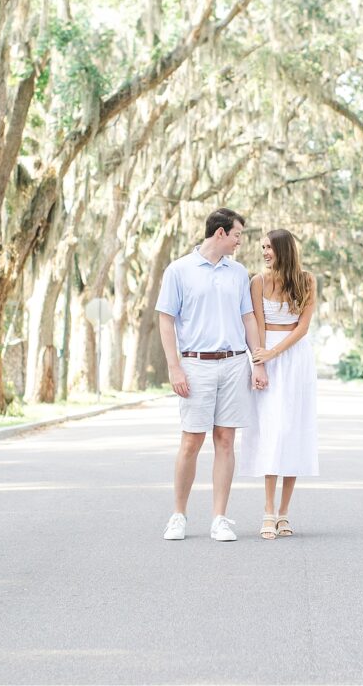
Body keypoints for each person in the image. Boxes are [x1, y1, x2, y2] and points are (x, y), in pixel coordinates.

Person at [156, 208, 268, 542]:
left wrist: (257, 361)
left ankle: (219, 518)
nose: (239, 242)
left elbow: (248, 319)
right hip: (196, 363)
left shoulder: (238, 273)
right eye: (237, 236)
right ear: (220, 234)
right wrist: (174, 366)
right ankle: (179, 515)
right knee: (191, 440)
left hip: (234, 363)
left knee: (225, 439)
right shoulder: (179, 270)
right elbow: (166, 320)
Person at [239, 228, 318, 538]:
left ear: (284, 249)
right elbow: (256, 322)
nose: (265, 253)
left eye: (269, 247)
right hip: (265, 353)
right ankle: (267, 511)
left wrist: (275, 351)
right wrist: (261, 360)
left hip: (295, 358)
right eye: (262, 248)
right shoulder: (257, 281)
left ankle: (284, 513)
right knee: (272, 430)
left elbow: (303, 327)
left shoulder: (307, 280)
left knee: (293, 430)